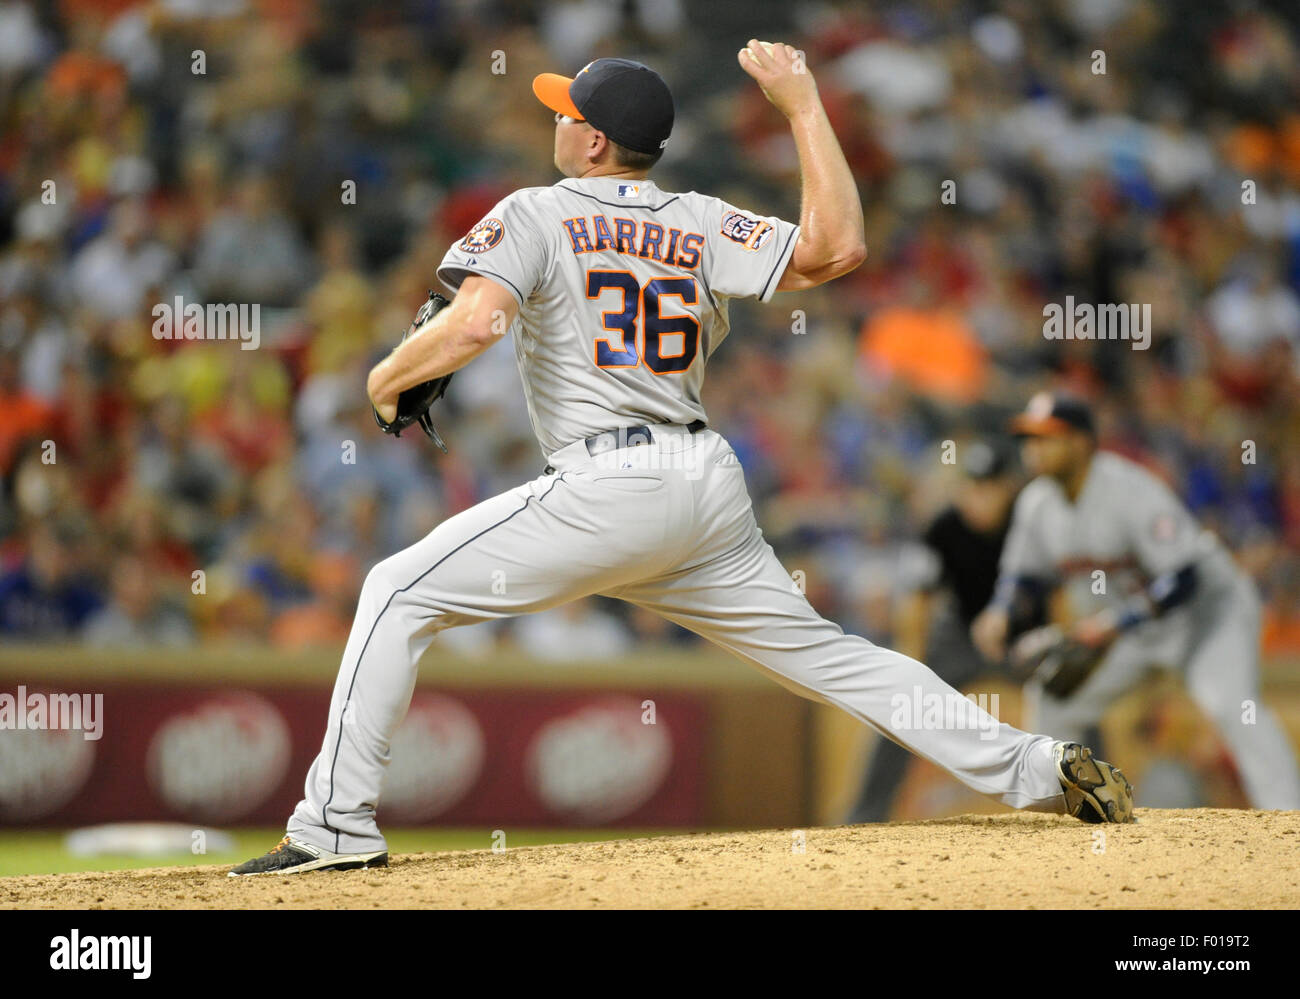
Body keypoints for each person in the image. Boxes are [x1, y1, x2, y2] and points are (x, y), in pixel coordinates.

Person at [232, 43, 1133, 877]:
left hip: (607, 486)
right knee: (834, 656)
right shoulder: (700, 221)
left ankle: (334, 825)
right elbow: (840, 248)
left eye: (565, 113)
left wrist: (385, 379)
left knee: (395, 590)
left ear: (592, 142)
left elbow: (475, 321)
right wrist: (805, 107)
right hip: (704, 489)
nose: (555, 121)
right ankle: (1041, 766)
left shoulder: (536, 211)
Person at [971, 392, 1300, 810]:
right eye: (1028, 439)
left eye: (1046, 438)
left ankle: (1288, 818)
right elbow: (1025, 579)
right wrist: (1001, 612)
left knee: (1233, 707)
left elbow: (1184, 578)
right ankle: (1049, 811)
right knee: (1053, 697)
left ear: (1081, 442)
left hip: (1208, 616)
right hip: (1132, 629)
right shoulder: (1036, 503)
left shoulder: (1129, 489)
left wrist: (1112, 626)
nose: (1032, 449)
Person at [846, 439, 1030, 823]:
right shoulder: (944, 527)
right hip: (961, 637)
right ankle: (865, 817)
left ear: (1006, 488)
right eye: (972, 486)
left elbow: (1058, 591)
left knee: (1071, 698)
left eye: (988, 487)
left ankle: (1094, 793)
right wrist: (910, 667)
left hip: (1023, 635)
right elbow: (917, 601)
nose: (978, 497)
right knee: (901, 706)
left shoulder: (1030, 523)